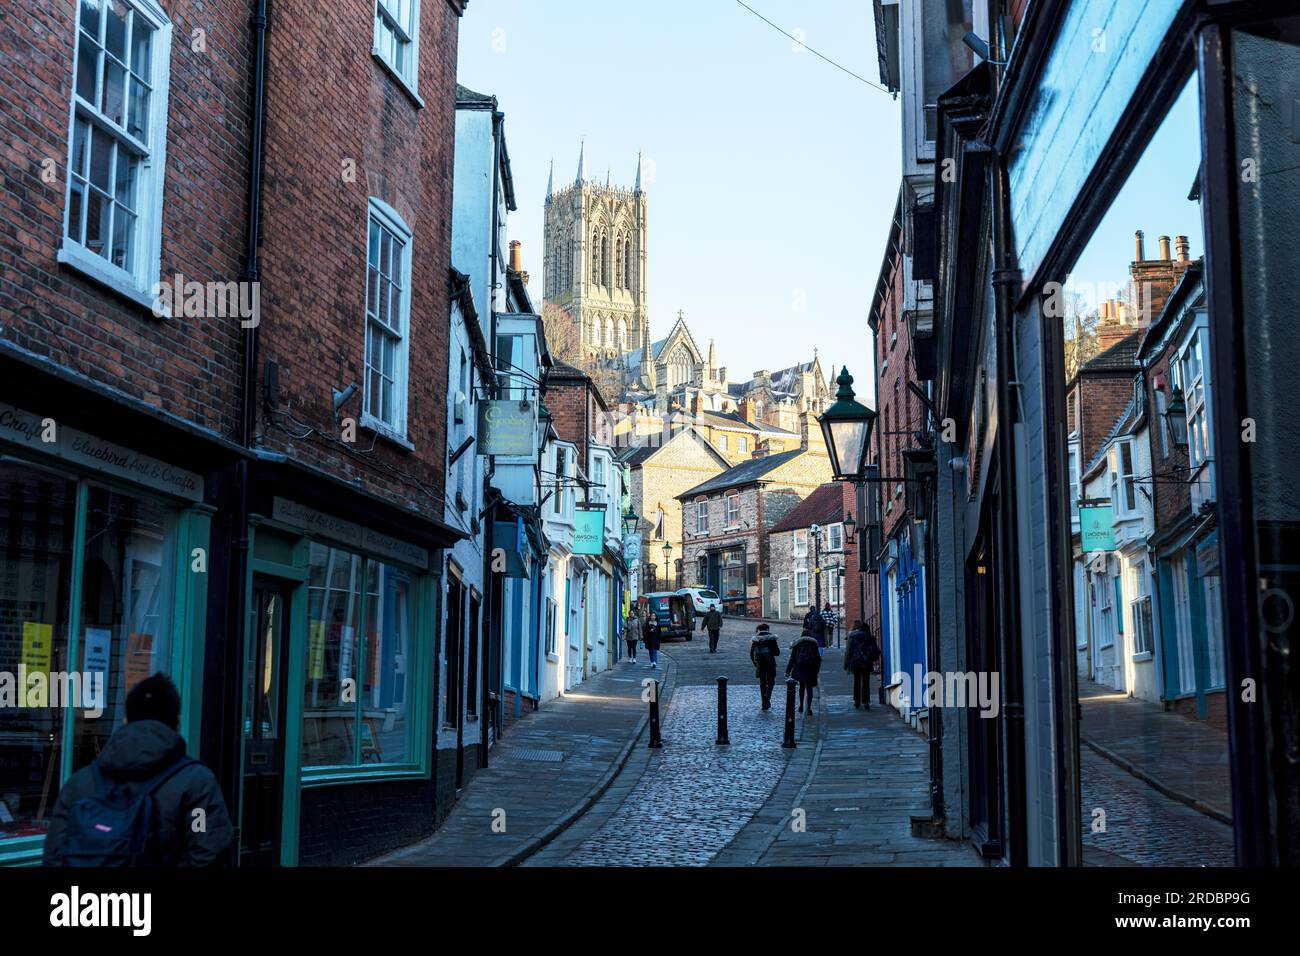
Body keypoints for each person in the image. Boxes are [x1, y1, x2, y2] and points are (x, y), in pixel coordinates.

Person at [43, 672, 233, 867]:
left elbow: (54, 855)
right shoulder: (196, 784)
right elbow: (208, 853)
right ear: (178, 724)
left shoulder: (80, 783)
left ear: (125, 721)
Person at [844, 619, 880, 710]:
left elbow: (849, 651)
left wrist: (847, 663)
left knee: (857, 681)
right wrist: (872, 659)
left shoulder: (853, 637)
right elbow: (875, 651)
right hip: (867, 662)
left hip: (856, 662)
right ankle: (866, 702)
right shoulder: (871, 638)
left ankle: (857, 701)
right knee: (866, 682)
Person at [785, 629, 822, 716]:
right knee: (809, 688)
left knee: (801, 687)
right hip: (811, 668)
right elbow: (818, 659)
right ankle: (809, 708)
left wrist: (787, 671)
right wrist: (817, 670)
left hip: (800, 668)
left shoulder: (797, 644)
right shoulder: (814, 644)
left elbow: (792, 659)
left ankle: (801, 705)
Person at [749, 623, 781, 709]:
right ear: (767, 629)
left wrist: (755, 663)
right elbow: (777, 653)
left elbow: (751, 653)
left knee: (762, 682)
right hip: (770, 662)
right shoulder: (772, 638)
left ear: (759, 629)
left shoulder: (755, 639)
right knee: (771, 682)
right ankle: (768, 695)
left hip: (760, 663)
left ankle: (764, 702)